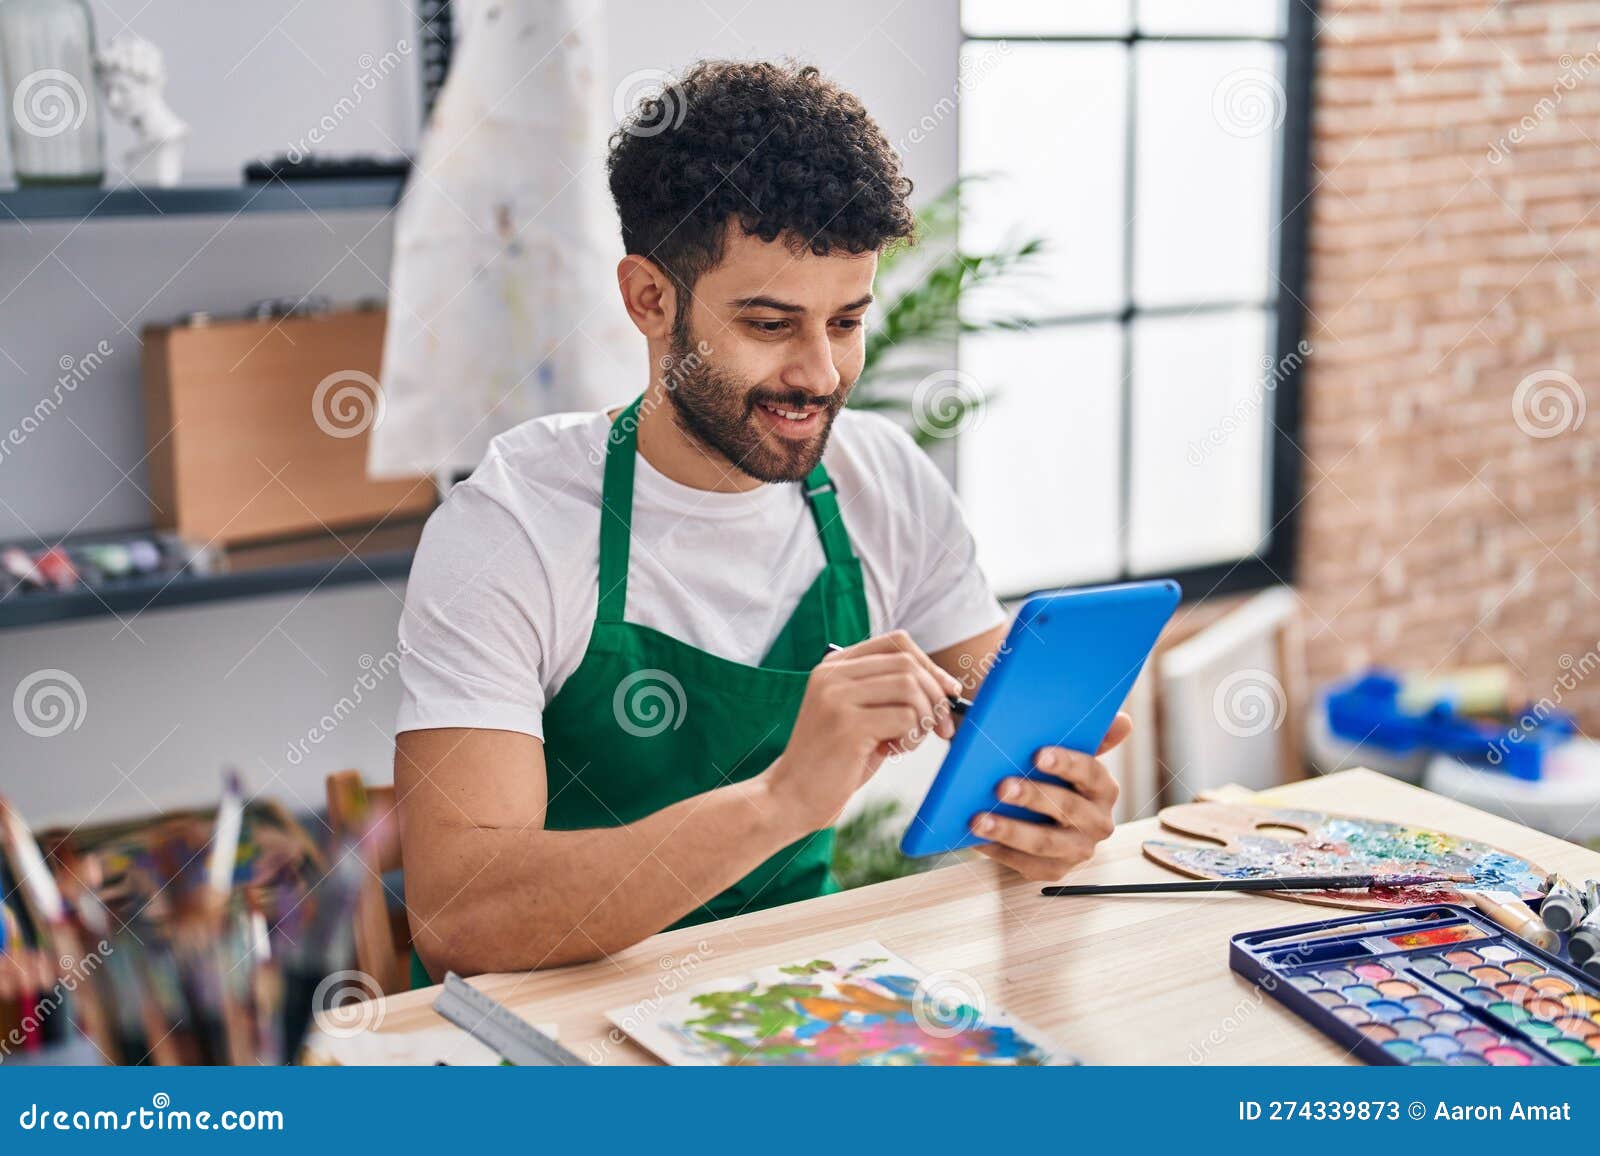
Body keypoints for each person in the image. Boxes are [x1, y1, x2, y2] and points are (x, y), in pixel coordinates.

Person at [393, 60, 1128, 981]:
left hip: (787, 1000)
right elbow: (463, 915)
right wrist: (780, 800)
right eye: (772, 325)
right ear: (648, 299)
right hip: (545, 1034)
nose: (821, 374)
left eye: (848, 322)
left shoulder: (882, 483)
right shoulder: (511, 528)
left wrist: (1047, 813)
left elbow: (1010, 741)